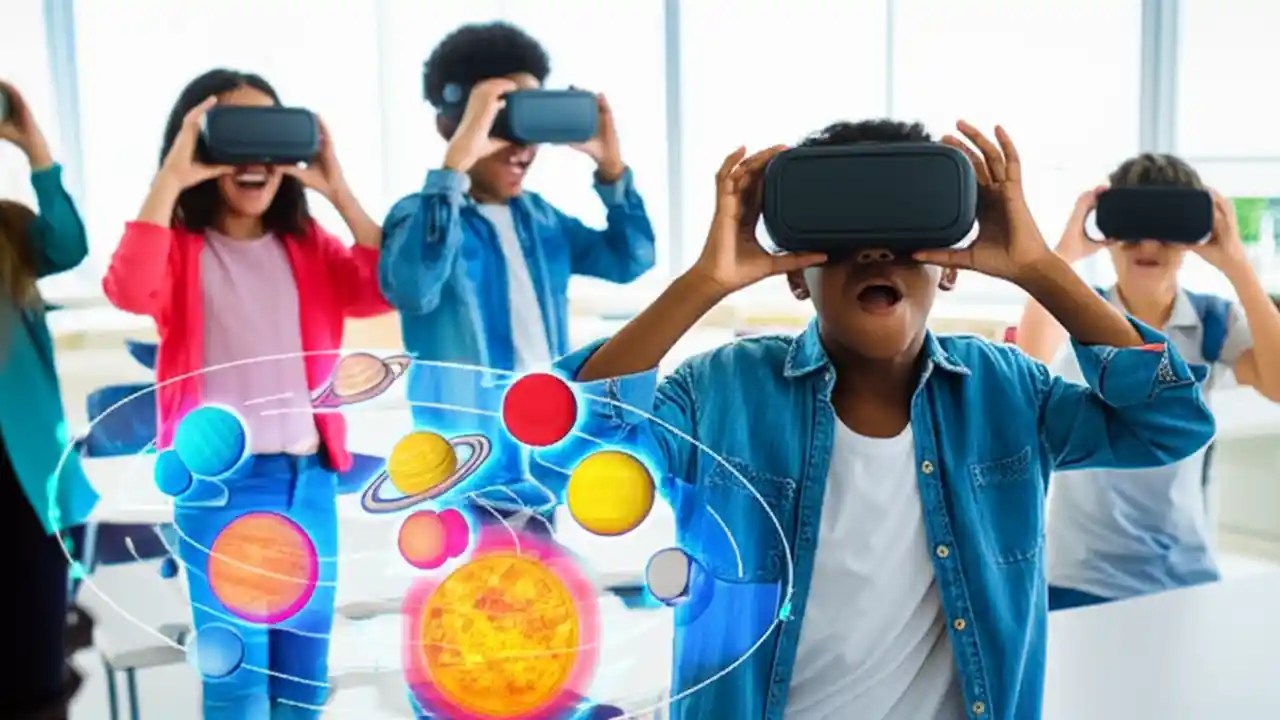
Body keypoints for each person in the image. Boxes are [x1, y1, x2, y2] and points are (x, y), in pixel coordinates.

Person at [540, 120, 1216, 719]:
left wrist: (1041, 268)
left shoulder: (1005, 394)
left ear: (946, 268)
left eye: (904, 233)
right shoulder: (723, 393)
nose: (873, 252)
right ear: (795, 274)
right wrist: (703, 283)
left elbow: (1169, 424)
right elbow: (568, 442)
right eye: (839, 238)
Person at [102, 69, 388, 719]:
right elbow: (128, 288)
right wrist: (170, 179)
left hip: (308, 484)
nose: (253, 159)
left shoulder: (307, 247)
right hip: (219, 492)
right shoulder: (182, 252)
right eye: (231, 139)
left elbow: (381, 286)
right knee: (238, 683)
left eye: (269, 137)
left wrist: (337, 189)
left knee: (304, 680)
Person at [378, 21, 655, 511]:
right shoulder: (418, 216)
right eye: (502, 124)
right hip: (462, 470)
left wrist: (611, 168)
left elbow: (631, 259)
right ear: (455, 124)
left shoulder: (543, 220)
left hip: (548, 460)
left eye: (532, 123)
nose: (522, 145)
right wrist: (454, 167)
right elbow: (413, 289)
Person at [1016, 154, 1280, 610]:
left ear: (1191, 236)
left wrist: (1237, 265)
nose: (1148, 245)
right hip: (1081, 571)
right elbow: (1029, 360)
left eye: (1167, 229)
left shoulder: (1211, 321)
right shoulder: (1077, 312)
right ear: (1106, 230)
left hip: (1183, 570)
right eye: (1132, 228)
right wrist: (1063, 256)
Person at [0, 79, 96, 720]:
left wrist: (36, 151)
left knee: (36, 676)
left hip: (22, 489)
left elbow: (68, 244)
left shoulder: (9, 231)